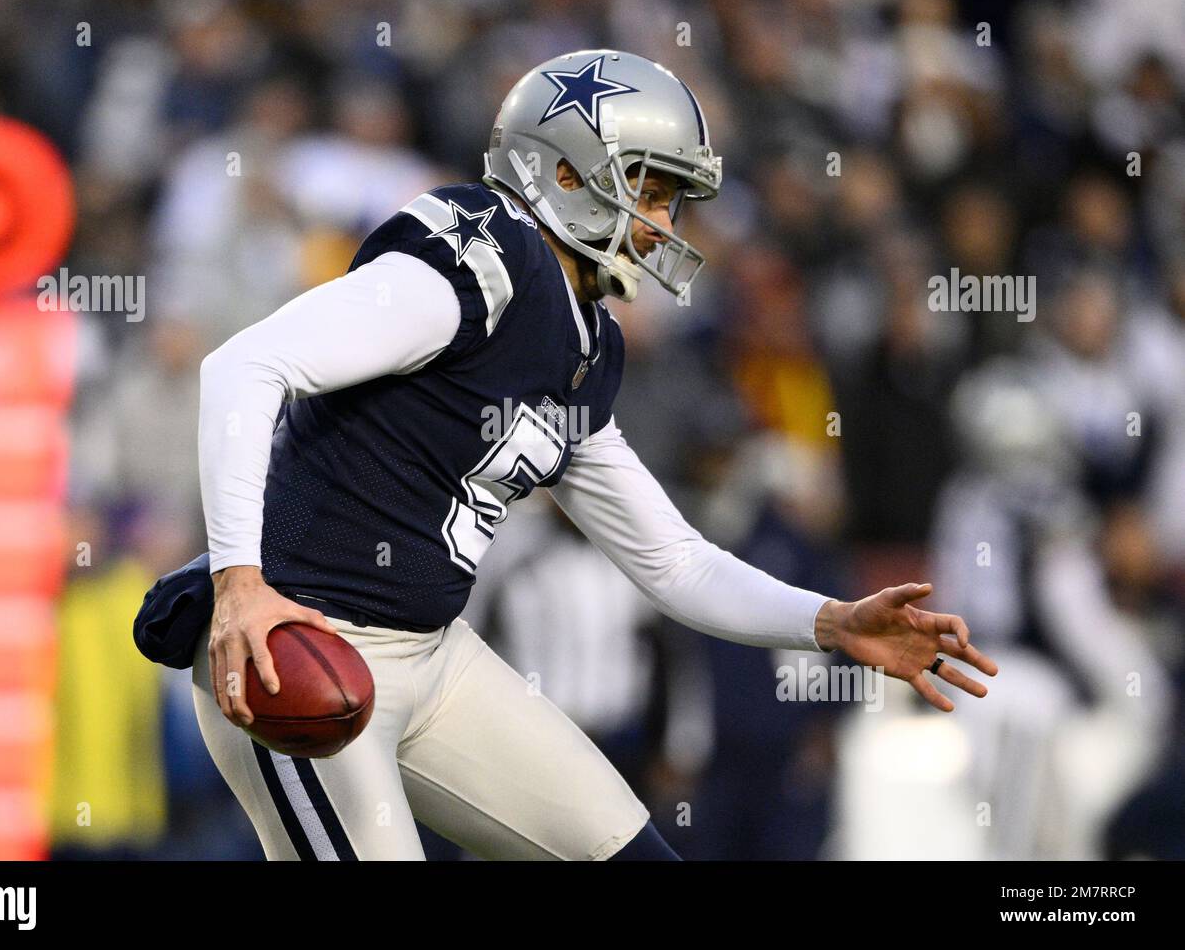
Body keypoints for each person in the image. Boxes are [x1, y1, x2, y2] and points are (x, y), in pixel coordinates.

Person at [173, 50, 996, 860]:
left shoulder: (586, 344)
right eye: (653, 190)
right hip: (304, 647)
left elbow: (675, 563)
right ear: (564, 174)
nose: (667, 224)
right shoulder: (480, 260)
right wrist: (240, 586)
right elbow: (243, 367)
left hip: (433, 654)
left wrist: (832, 622)